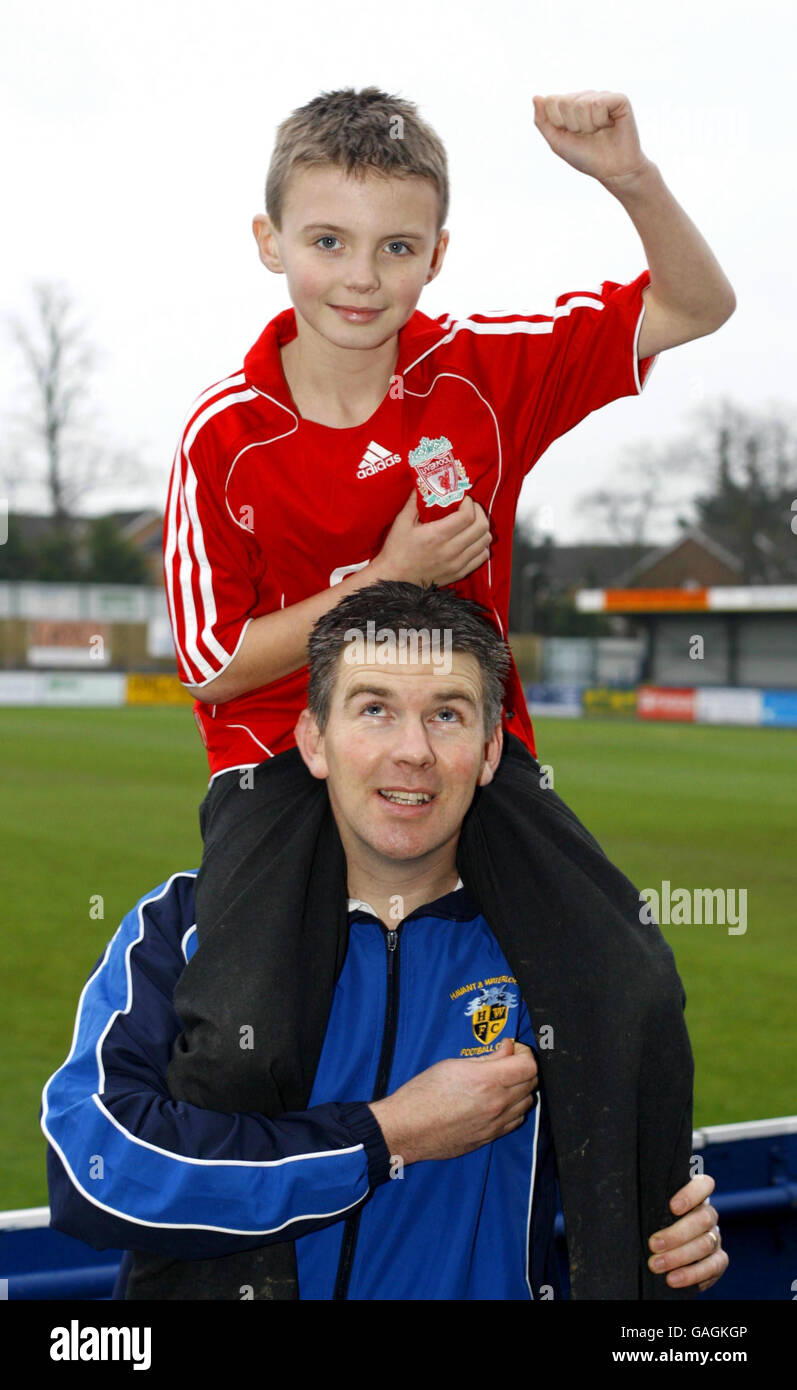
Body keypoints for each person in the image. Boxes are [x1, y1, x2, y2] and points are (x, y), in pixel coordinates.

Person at [157, 86, 735, 1298]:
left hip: (475, 754)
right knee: (240, 1027)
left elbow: (697, 304)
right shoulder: (224, 436)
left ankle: (634, 1292)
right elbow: (213, 659)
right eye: (326, 240)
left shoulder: (477, 375)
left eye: (396, 246)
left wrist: (626, 175)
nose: (359, 277)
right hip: (278, 761)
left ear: (436, 252)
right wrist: (388, 577)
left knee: (625, 980)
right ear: (269, 243)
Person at [41, 582, 727, 1300]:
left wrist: (672, 1224)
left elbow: (614, 1149)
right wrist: (385, 1136)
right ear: (314, 741)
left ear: (490, 751)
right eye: (374, 710)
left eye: (447, 716)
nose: (413, 752)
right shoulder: (187, 925)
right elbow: (95, 1171)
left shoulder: (559, 951)